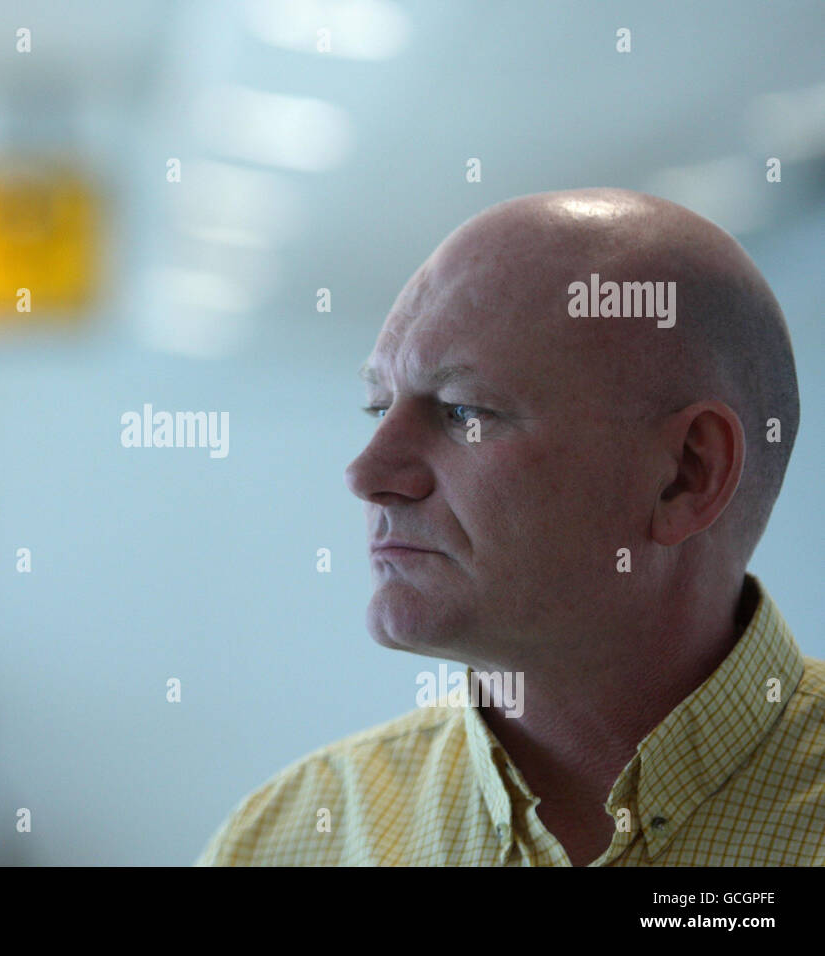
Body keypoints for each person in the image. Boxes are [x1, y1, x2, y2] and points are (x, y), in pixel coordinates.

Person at [196, 188, 821, 866]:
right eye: (378, 408)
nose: (367, 473)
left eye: (465, 412)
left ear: (684, 474)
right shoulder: (285, 841)